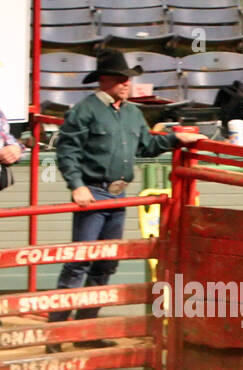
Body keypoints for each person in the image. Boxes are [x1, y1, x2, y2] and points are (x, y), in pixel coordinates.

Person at [50, 49, 203, 352]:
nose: (125, 83)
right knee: (80, 262)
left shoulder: (132, 113)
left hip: (117, 196)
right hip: (94, 192)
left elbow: (145, 145)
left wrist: (174, 138)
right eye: (120, 79)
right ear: (104, 79)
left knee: (105, 263)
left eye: (127, 79)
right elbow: (67, 151)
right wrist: (77, 185)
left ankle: (86, 329)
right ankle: (55, 331)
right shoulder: (85, 110)